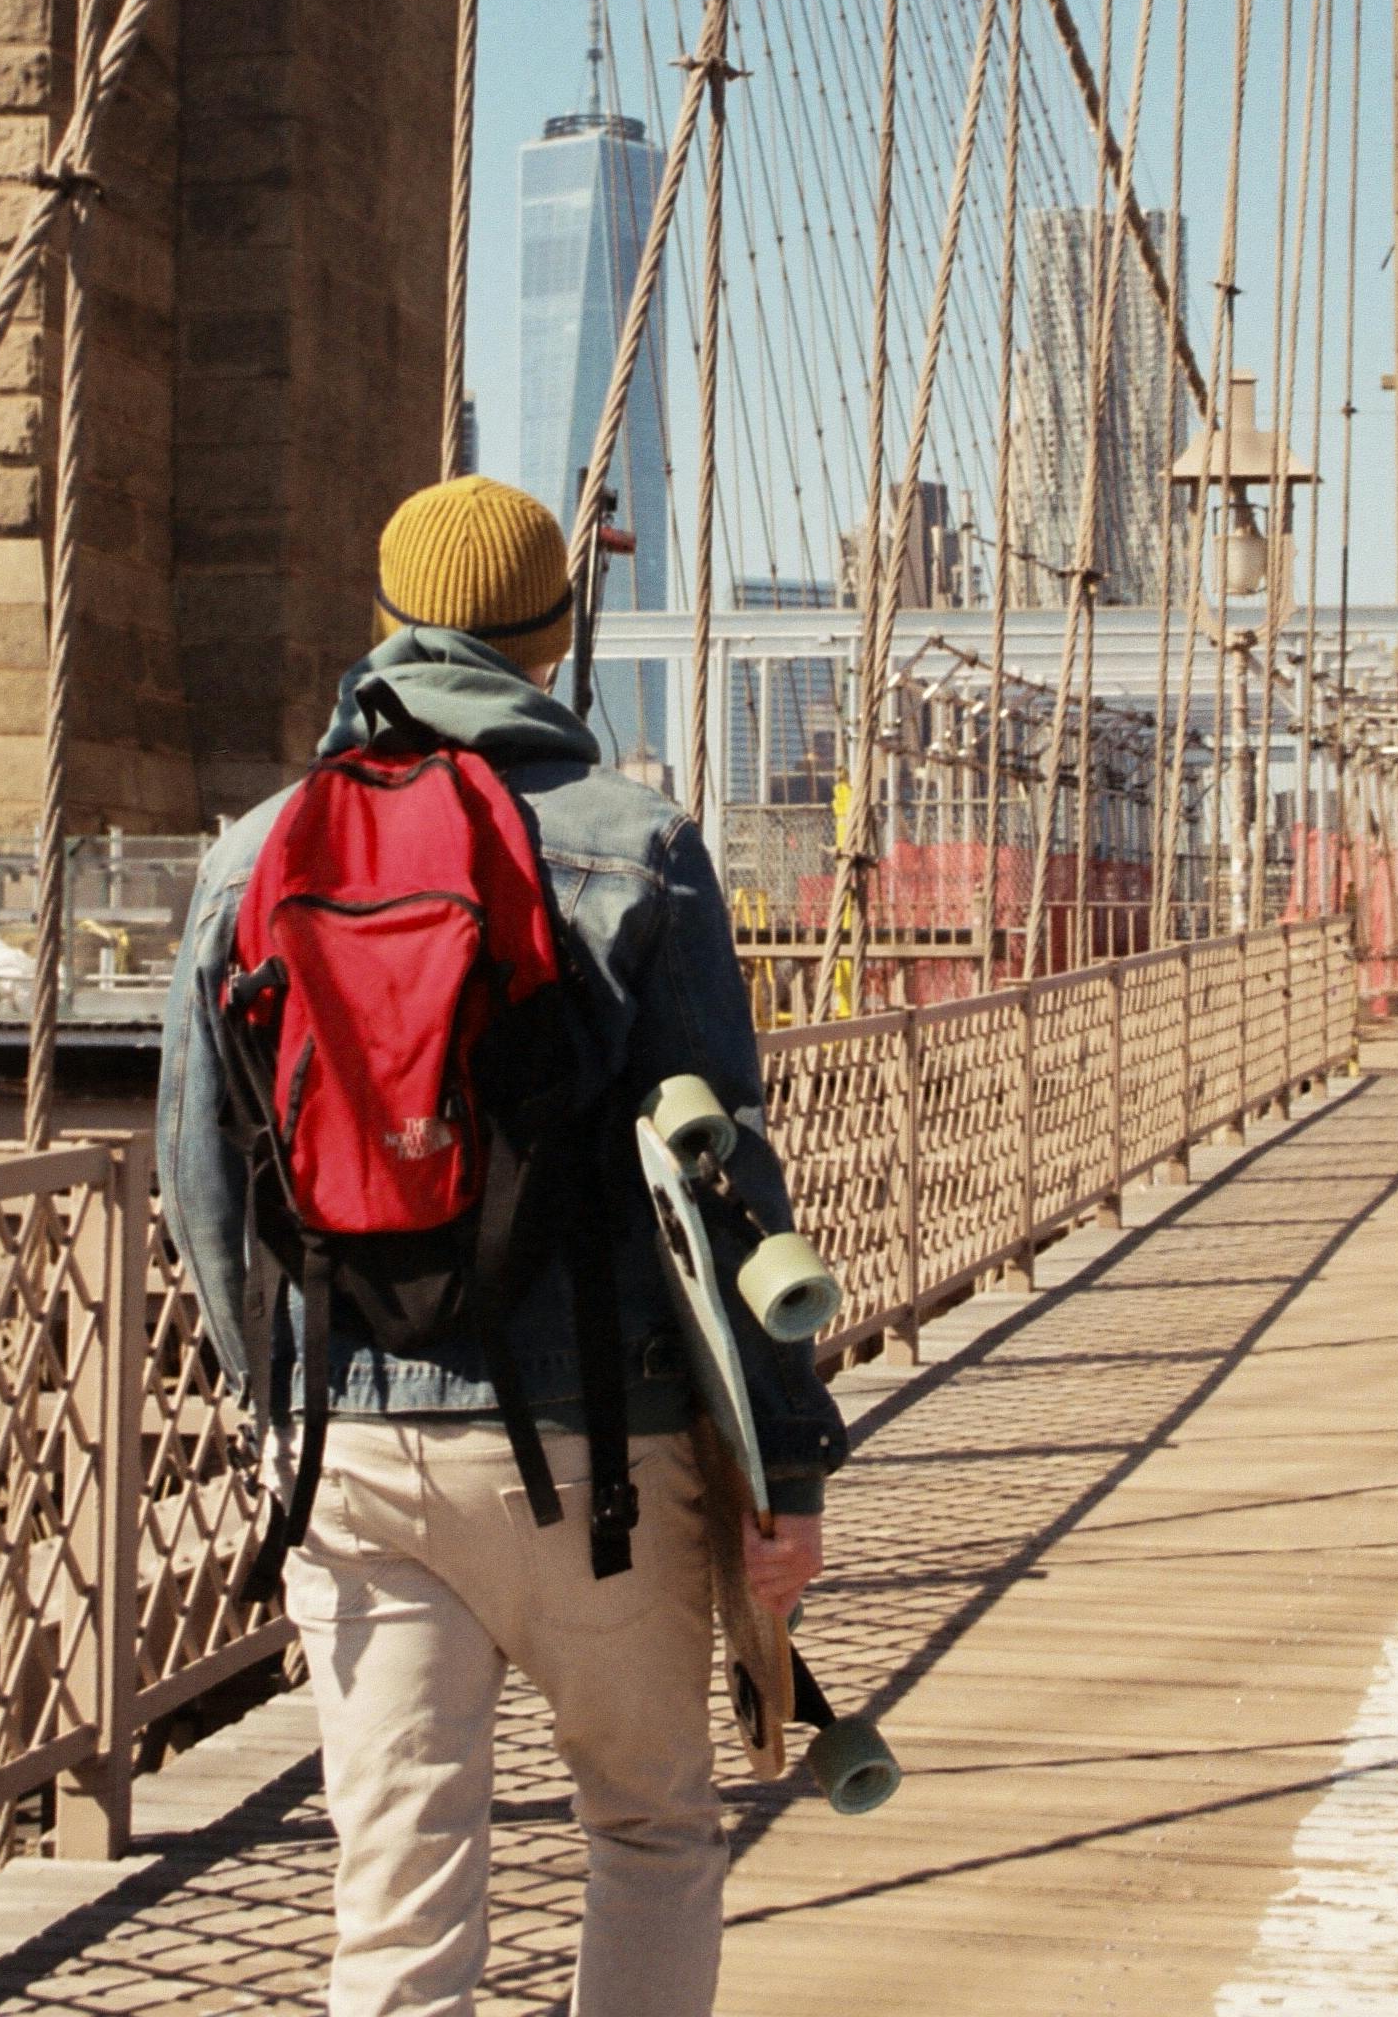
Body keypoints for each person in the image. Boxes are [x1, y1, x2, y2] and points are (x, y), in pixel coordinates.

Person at [158, 473, 846, 2017]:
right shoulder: (641, 845)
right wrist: (787, 1469)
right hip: (604, 1455)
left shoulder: (255, 853)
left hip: (356, 1456)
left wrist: (282, 1411)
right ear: (555, 635)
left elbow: (199, 1187)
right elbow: (727, 1188)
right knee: (651, 1832)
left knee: (397, 1898)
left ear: (385, 621)